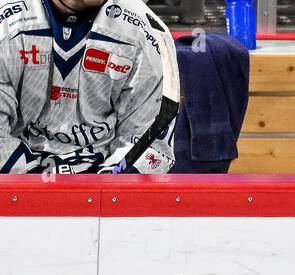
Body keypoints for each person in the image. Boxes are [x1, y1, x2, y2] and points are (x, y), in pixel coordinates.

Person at [0, 0, 177, 174]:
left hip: (106, 186)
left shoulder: (145, 32)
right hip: (16, 186)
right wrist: (36, 192)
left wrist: (104, 192)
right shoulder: (7, 24)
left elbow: (148, 142)